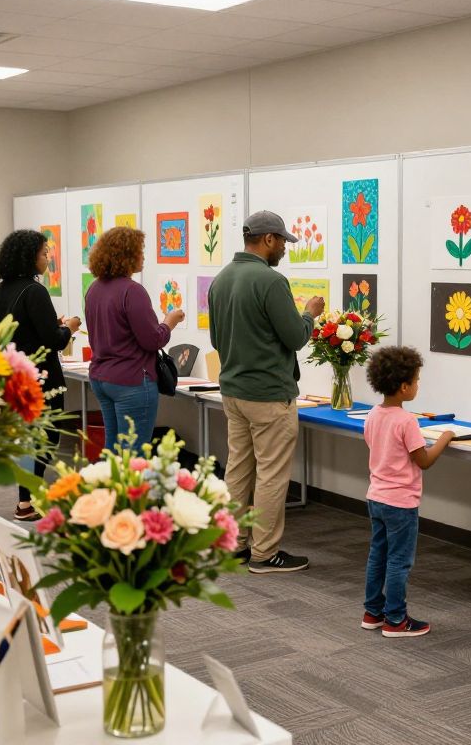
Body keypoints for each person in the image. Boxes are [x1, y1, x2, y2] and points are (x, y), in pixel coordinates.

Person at [208, 210, 325, 573]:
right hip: (269, 394)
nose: (285, 250)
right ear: (269, 239)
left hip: (233, 391)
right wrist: (309, 314)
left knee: (238, 471)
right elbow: (295, 337)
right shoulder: (271, 282)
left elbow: (216, 339)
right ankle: (265, 553)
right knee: (272, 474)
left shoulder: (221, 279)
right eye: (283, 243)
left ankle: (232, 545)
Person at [360, 346, 453, 637]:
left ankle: (373, 612)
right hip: (401, 503)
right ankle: (396, 620)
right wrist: (445, 439)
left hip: (376, 497)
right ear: (404, 387)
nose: (417, 385)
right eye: (416, 380)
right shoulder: (407, 421)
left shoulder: (374, 414)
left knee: (378, 555)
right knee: (400, 561)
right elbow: (423, 460)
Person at [0, 230, 80, 522]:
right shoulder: (34, 290)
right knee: (46, 438)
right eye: (44, 254)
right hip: (42, 375)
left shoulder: (1, 290)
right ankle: (27, 500)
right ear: (29, 257)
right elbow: (54, 340)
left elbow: (19, 328)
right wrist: (70, 327)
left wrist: (51, 326)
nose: (47, 259)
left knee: (27, 437)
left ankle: (25, 500)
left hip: (17, 372)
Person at [86, 226, 182, 451]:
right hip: (130, 380)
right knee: (134, 454)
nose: (143, 256)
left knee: (113, 448)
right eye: (140, 251)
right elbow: (152, 340)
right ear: (126, 256)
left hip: (101, 377)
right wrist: (169, 322)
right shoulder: (132, 291)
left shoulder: (94, 289)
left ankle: (108, 487)